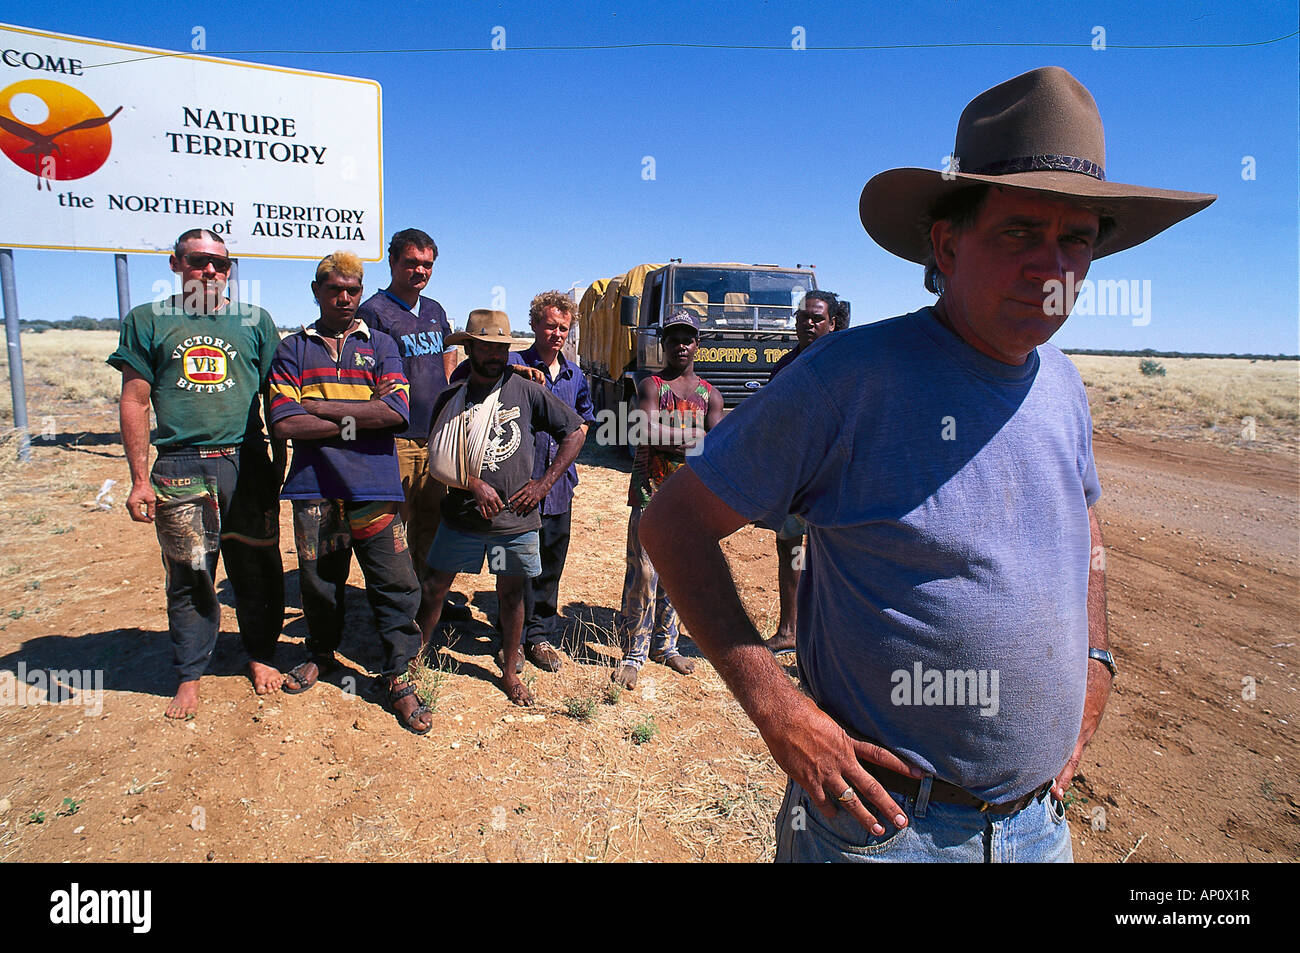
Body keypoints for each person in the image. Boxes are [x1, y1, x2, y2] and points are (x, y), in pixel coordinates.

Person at [640, 66, 1214, 862]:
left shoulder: (1064, 382)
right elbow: (671, 523)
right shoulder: (848, 379)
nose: (1052, 269)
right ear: (948, 242)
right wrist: (777, 710)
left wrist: (1096, 658)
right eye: (1020, 231)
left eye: (1075, 239)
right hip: (883, 833)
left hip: (1037, 829)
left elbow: (1083, 526)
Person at [109, 228, 285, 719]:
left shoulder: (254, 321)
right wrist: (139, 478)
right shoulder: (148, 320)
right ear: (175, 263)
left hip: (245, 461)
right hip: (181, 466)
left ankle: (260, 655)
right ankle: (190, 672)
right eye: (198, 260)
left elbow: (276, 397)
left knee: (257, 567)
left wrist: (281, 462)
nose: (210, 270)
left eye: (221, 263)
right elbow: (135, 399)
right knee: (190, 572)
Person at [267, 251, 430, 735]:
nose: (344, 298)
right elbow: (283, 421)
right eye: (334, 289)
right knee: (319, 580)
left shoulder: (380, 344)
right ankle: (321, 654)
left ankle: (399, 674)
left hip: (374, 485)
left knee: (395, 580)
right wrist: (361, 413)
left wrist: (319, 406)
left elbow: (397, 412)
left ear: (361, 292)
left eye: (352, 290)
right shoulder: (292, 349)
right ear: (316, 291)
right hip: (315, 486)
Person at [416, 309, 586, 706]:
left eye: (501, 348)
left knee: (512, 595)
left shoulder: (526, 390)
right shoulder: (453, 395)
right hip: (461, 515)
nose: (495, 355)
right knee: (435, 587)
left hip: (516, 520)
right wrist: (471, 483)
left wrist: (544, 485)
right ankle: (416, 655)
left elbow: (575, 431)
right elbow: (436, 455)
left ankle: (510, 671)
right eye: (486, 347)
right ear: (470, 348)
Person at [355, 228, 471, 627]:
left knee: (432, 520)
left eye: (427, 264)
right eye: (411, 263)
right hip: (396, 439)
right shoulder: (373, 312)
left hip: (436, 434)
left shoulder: (435, 310)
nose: (419, 270)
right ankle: (395, 607)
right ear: (392, 263)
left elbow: (447, 364)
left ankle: (427, 599)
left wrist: (452, 409)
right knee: (396, 525)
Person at [611, 310, 724, 690]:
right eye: (673, 338)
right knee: (643, 574)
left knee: (680, 575)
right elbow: (645, 430)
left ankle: (666, 645)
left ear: (697, 345)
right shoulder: (651, 386)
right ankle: (633, 652)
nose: (681, 345)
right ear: (664, 343)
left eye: (687, 338)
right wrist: (697, 438)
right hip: (651, 492)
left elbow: (721, 445)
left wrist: (676, 434)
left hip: (690, 500)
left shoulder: (711, 394)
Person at [766, 290, 848, 655]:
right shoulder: (784, 367)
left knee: (831, 557)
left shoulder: (847, 365)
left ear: (833, 323)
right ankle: (789, 631)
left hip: (834, 482)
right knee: (789, 550)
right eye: (803, 317)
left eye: (817, 318)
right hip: (794, 479)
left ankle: (828, 639)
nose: (808, 324)